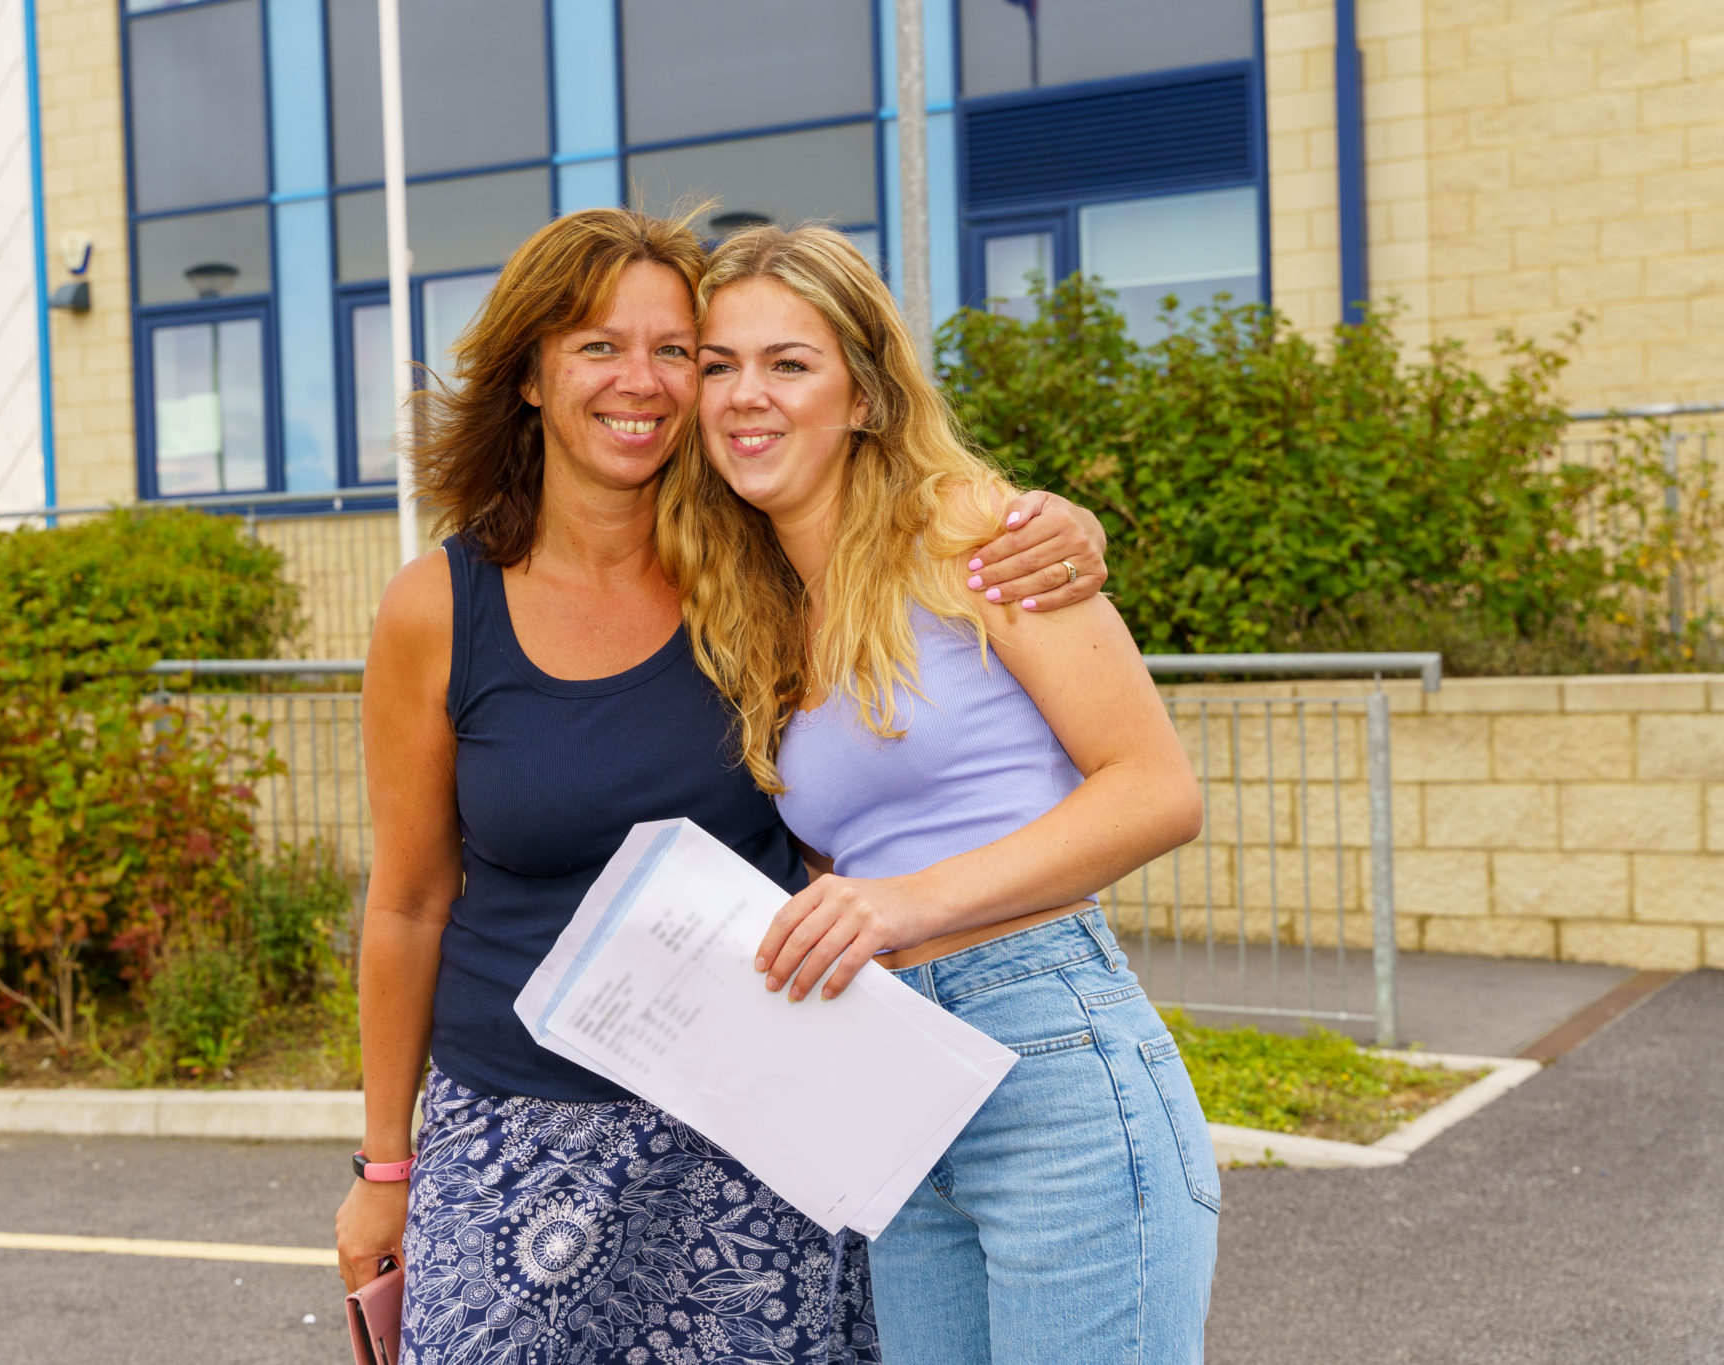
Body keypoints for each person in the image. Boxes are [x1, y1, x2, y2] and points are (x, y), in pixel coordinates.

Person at [333, 207, 1113, 1364]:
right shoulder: (437, 609)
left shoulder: (763, 573)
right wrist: (384, 1171)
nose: (640, 382)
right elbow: (405, 906)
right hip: (510, 1136)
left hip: (755, 1131)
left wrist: (1064, 531)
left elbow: (920, 530)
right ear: (532, 375)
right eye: (597, 345)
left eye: (674, 353)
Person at [658, 224, 1219, 1365]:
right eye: (717, 366)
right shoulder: (767, 609)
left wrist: (900, 903)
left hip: (1045, 1046)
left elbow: (1156, 791)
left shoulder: (971, 530)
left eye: (787, 363)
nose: (742, 397)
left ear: (862, 394)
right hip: (893, 1077)